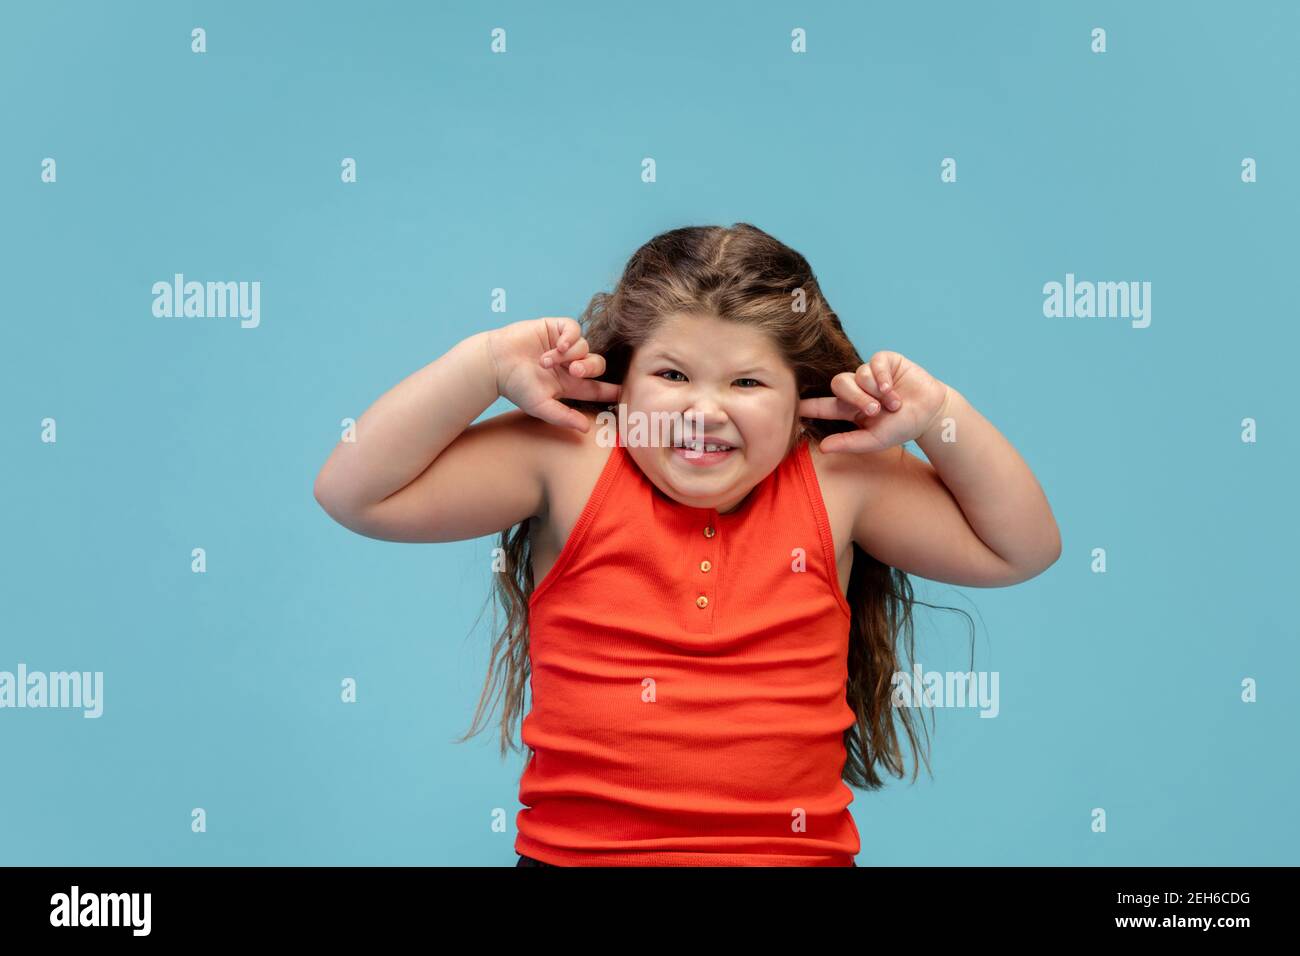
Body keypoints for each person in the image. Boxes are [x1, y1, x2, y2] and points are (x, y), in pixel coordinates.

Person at [313, 223, 1061, 867]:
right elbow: (355, 491)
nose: (704, 410)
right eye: (671, 374)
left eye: (746, 383)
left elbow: (1020, 548)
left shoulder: (837, 476)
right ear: (620, 380)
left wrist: (940, 416)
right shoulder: (574, 458)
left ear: (804, 399)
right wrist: (481, 365)